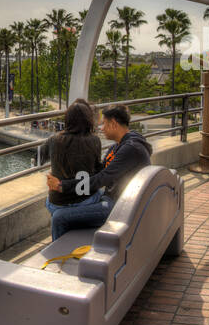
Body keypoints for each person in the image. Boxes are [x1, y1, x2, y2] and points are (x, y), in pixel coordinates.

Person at [53, 103, 151, 239]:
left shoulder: (131, 149)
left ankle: (58, 256)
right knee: (55, 203)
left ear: (113, 124)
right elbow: (99, 170)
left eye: (104, 124)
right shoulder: (118, 146)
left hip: (119, 207)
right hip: (112, 198)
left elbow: (102, 178)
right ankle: (70, 244)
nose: (101, 128)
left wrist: (63, 186)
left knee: (59, 217)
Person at [45, 98, 106, 240]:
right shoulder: (94, 141)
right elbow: (97, 173)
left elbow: (39, 157)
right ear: (88, 119)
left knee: (48, 201)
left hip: (57, 204)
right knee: (100, 194)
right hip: (85, 201)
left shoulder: (54, 139)